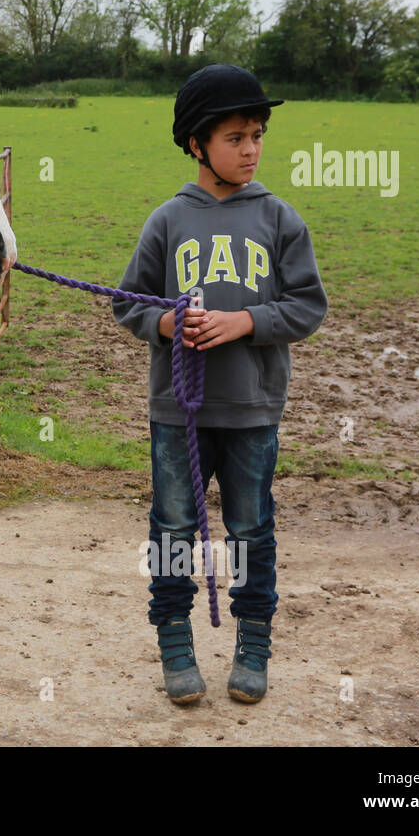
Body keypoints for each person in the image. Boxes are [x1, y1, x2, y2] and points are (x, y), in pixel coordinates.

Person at [111, 63, 328, 704]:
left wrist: (246, 321)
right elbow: (127, 302)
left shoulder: (280, 219)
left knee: (251, 528)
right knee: (174, 528)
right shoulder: (168, 221)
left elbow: (307, 306)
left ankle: (253, 640)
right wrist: (165, 321)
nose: (252, 149)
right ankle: (173, 637)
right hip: (177, 410)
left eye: (257, 134)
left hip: (253, 409)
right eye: (236, 137)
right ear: (196, 143)